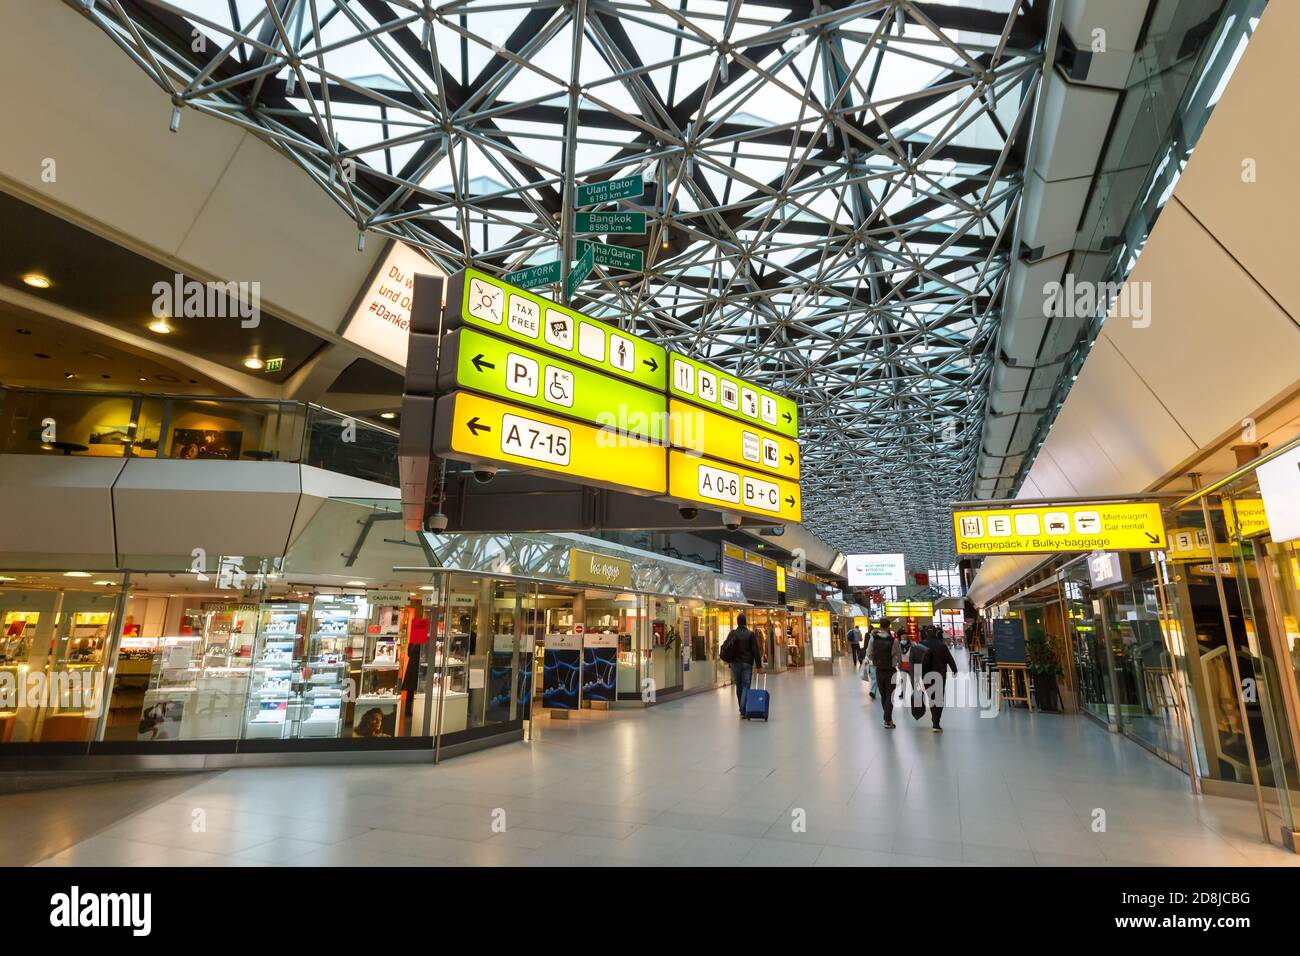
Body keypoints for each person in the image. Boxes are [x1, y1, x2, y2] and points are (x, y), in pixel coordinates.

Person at [722, 613, 763, 716]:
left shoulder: (732, 633)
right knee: (746, 686)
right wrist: (759, 666)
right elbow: (756, 651)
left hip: (735, 663)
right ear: (746, 622)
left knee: (739, 686)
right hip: (747, 664)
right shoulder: (750, 634)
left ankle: (742, 708)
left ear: (738, 622)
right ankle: (743, 709)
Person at [921, 624, 960, 733]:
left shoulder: (921, 644)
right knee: (939, 699)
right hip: (939, 674)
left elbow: (917, 660)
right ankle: (936, 722)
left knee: (931, 697)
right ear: (936, 633)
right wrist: (954, 670)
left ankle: (934, 717)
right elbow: (949, 658)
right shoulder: (941, 645)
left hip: (926, 675)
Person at [864, 623, 900, 728]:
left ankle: (887, 719)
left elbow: (868, 654)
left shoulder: (873, 640)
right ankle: (888, 720)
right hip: (891, 670)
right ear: (889, 627)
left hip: (879, 670)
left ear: (880, 627)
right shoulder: (894, 641)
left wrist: (876, 661)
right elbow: (898, 655)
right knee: (890, 695)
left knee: (884, 695)